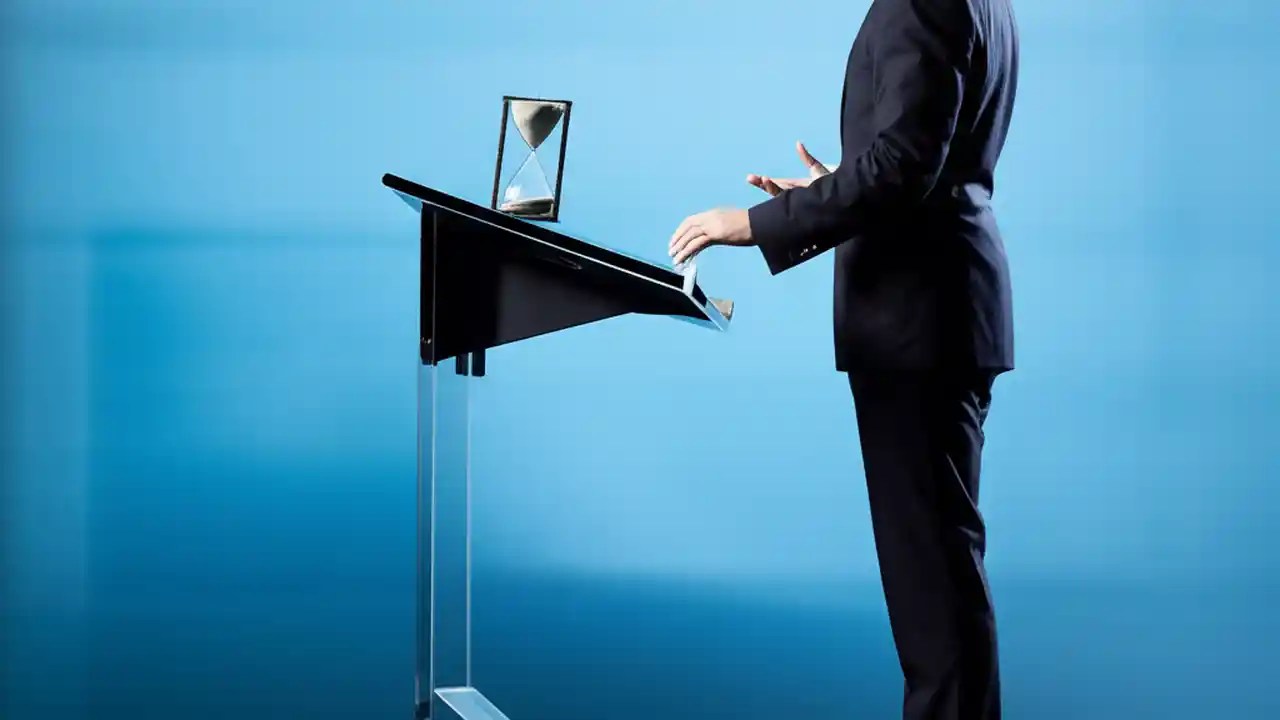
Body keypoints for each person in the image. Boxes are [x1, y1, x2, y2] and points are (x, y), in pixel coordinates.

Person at [668, 1, 1019, 718]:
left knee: (934, 595)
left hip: (918, 322)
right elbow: (924, 160)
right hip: (942, 315)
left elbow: (903, 165)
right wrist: (831, 186)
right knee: (943, 578)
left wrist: (756, 224)